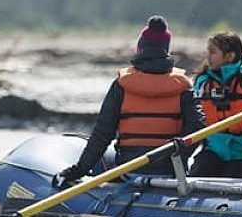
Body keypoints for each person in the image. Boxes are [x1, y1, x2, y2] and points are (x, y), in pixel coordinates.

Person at [52, 15, 205, 188]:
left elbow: (102, 133)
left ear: (140, 49)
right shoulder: (183, 86)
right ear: (166, 50)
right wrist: (180, 156)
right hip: (169, 171)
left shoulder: (122, 85)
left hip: (129, 170)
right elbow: (198, 126)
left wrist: (78, 170)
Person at [189, 31, 242, 177]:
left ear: (230, 56)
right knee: (197, 175)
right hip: (213, 149)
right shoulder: (203, 81)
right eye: (207, 52)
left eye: (212, 53)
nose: (207, 57)